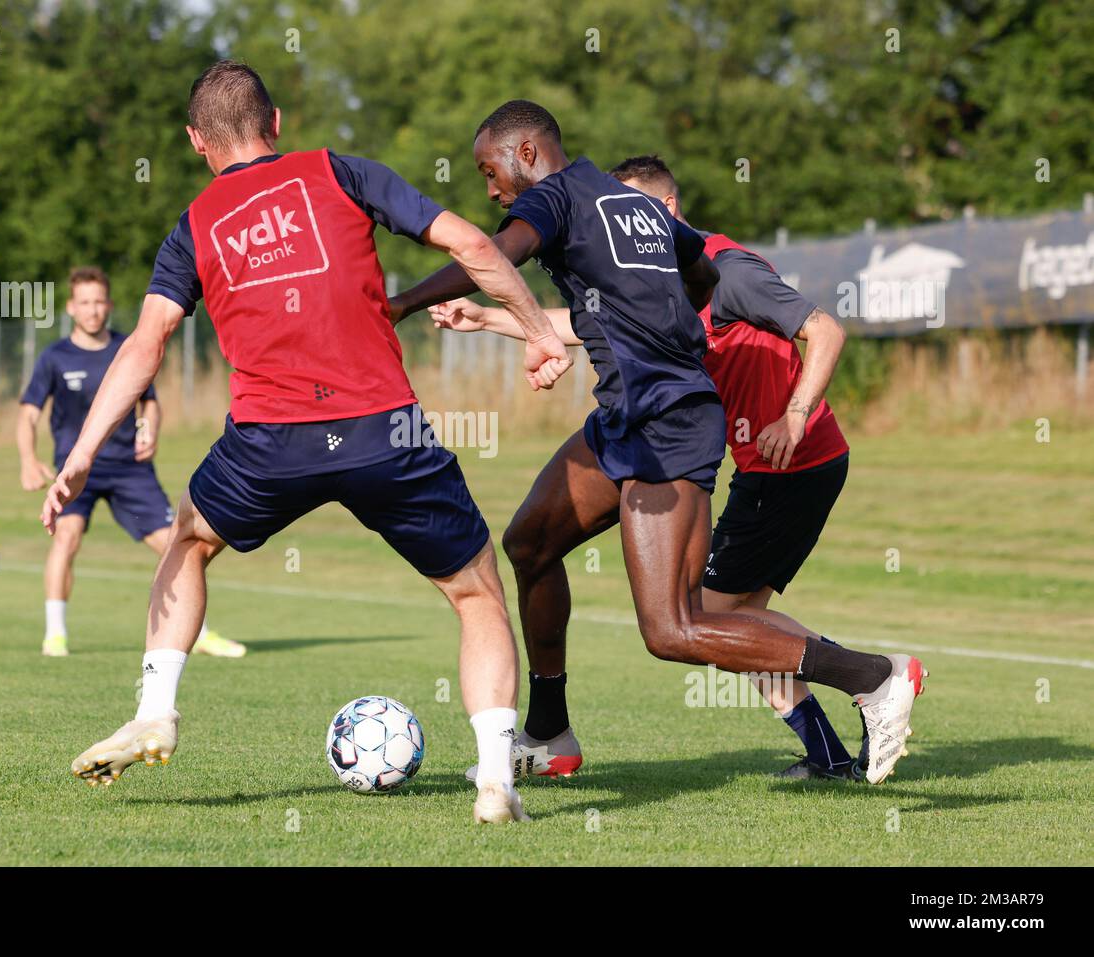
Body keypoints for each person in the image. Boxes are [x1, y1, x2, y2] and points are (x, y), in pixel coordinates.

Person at [42, 62, 572, 824]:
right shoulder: (343, 173)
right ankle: (496, 778)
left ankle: (157, 708)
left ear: (197, 142)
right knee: (475, 593)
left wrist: (84, 451)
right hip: (382, 430)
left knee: (187, 541)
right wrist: (533, 333)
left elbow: (146, 343)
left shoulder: (193, 225)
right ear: (277, 123)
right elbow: (475, 247)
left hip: (268, 442)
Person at [391, 100, 925, 787]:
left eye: (489, 171)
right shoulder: (632, 205)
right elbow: (698, 274)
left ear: (525, 154)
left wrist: (398, 305)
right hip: (626, 417)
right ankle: (550, 732)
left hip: (667, 426)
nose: (491, 189)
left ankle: (875, 677)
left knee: (674, 629)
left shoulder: (557, 197)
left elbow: (492, 256)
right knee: (530, 542)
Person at [17, 266, 244, 659]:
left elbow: (149, 401)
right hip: (77, 471)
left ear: (110, 304)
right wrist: (27, 459)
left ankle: (199, 633)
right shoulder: (54, 357)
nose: (93, 310)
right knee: (66, 538)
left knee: (178, 545)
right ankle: (55, 635)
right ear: (72, 307)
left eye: (100, 301)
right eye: (85, 303)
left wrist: (150, 429)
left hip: (129, 469)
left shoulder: (129, 348)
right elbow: (28, 414)